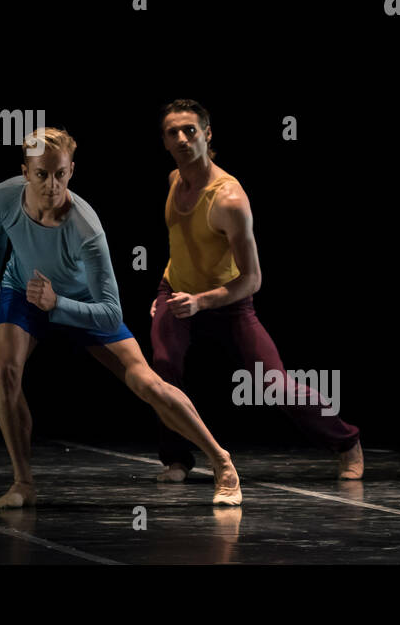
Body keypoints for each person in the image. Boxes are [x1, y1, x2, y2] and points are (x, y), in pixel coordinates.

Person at [0, 127, 242, 509]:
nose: (52, 184)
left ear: (71, 171)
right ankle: (23, 483)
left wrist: (58, 305)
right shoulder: (2, 196)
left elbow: (110, 311)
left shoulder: (86, 227)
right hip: (24, 291)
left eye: (60, 174)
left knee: (146, 383)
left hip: (80, 302)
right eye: (41, 174)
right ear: (25, 172)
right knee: (5, 372)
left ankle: (222, 462)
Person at [149, 100, 364, 482]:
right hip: (178, 294)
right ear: (164, 140)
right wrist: (164, 292)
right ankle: (176, 459)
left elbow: (252, 279)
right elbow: (180, 246)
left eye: (191, 130)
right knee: (163, 373)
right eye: (173, 132)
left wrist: (201, 301)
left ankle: (346, 443)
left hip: (228, 302)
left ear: (208, 134)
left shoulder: (229, 199)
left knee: (272, 383)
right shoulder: (172, 182)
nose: (182, 138)